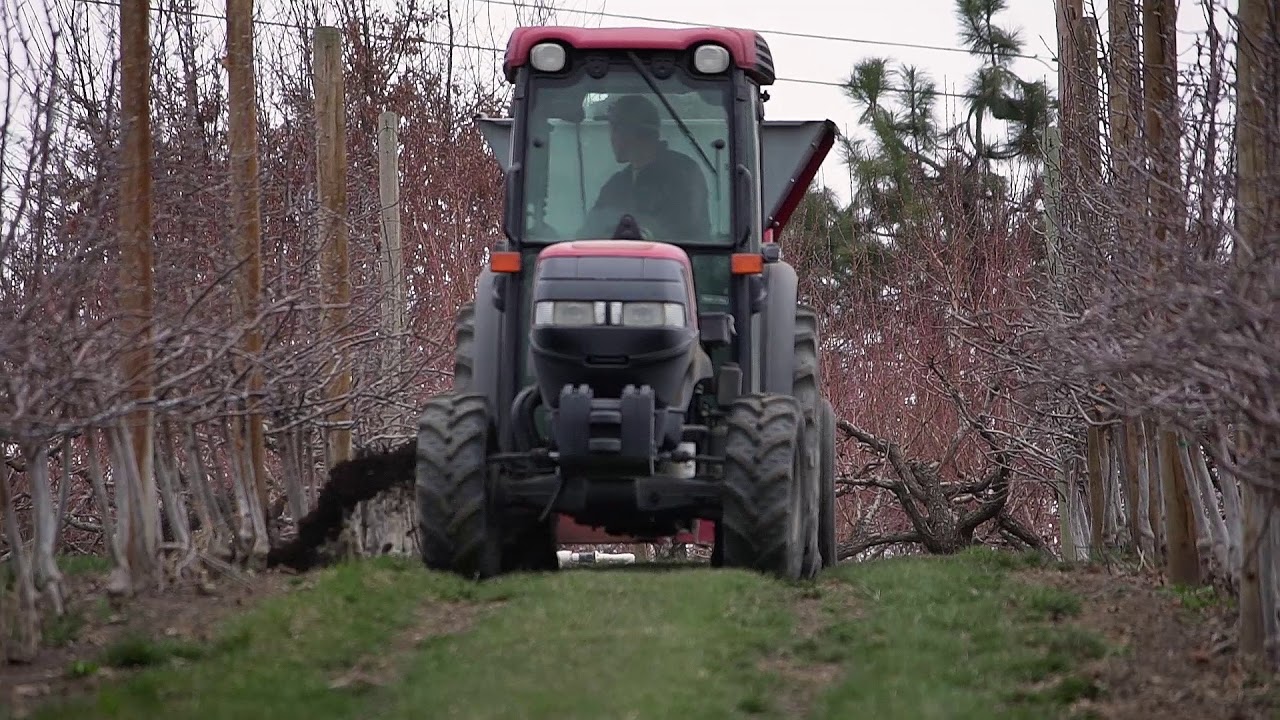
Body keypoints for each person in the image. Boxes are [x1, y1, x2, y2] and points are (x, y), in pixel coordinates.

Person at [584, 94, 710, 240]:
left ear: (631, 131)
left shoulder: (682, 175)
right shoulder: (617, 184)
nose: (611, 137)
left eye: (614, 129)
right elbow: (588, 233)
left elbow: (688, 232)